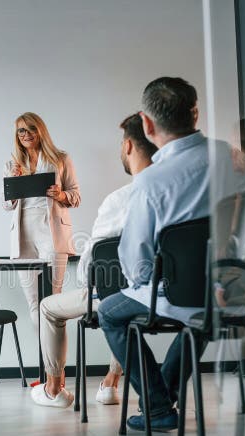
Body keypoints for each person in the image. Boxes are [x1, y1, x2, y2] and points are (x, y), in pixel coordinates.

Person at [97, 77, 233, 432]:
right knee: (203, 310)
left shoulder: (150, 182)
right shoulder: (230, 157)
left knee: (109, 313)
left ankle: (157, 405)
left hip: (170, 293)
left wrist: (149, 282)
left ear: (146, 123)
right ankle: (162, 398)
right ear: (195, 114)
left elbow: (136, 262)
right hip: (223, 292)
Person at [30, 114, 156, 408]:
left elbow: (91, 265)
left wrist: (90, 284)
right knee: (120, 301)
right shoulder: (178, 195)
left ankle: (53, 390)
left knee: (49, 306)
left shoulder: (119, 200)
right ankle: (111, 382)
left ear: (128, 147)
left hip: (113, 296)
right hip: (161, 295)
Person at [3, 112, 80, 345]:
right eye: (21, 131)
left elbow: (76, 195)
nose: (26, 135)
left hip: (52, 231)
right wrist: (12, 183)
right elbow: (6, 205)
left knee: (53, 303)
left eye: (31, 129)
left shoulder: (60, 159)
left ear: (41, 131)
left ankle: (57, 374)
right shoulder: (12, 163)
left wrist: (61, 194)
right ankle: (45, 366)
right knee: (34, 304)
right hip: (23, 234)